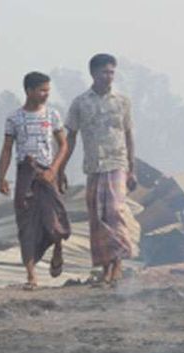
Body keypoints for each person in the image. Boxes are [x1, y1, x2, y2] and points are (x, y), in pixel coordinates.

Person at [56, 53, 136, 286]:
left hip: (117, 163)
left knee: (114, 211)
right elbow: (70, 137)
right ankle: (106, 267)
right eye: (104, 72)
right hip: (93, 166)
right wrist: (60, 168)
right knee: (97, 217)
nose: (108, 76)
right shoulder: (80, 103)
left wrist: (132, 168)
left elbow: (129, 134)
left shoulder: (122, 102)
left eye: (111, 72)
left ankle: (117, 264)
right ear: (93, 73)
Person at [0, 72, 71, 289]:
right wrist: (2, 177)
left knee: (54, 218)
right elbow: (7, 149)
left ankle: (58, 248)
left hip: (48, 173)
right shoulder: (14, 118)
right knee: (26, 224)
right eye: (41, 90)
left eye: (48, 91)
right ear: (29, 91)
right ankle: (31, 276)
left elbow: (63, 145)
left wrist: (54, 170)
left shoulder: (52, 115)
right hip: (25, 174)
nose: (45, 94)